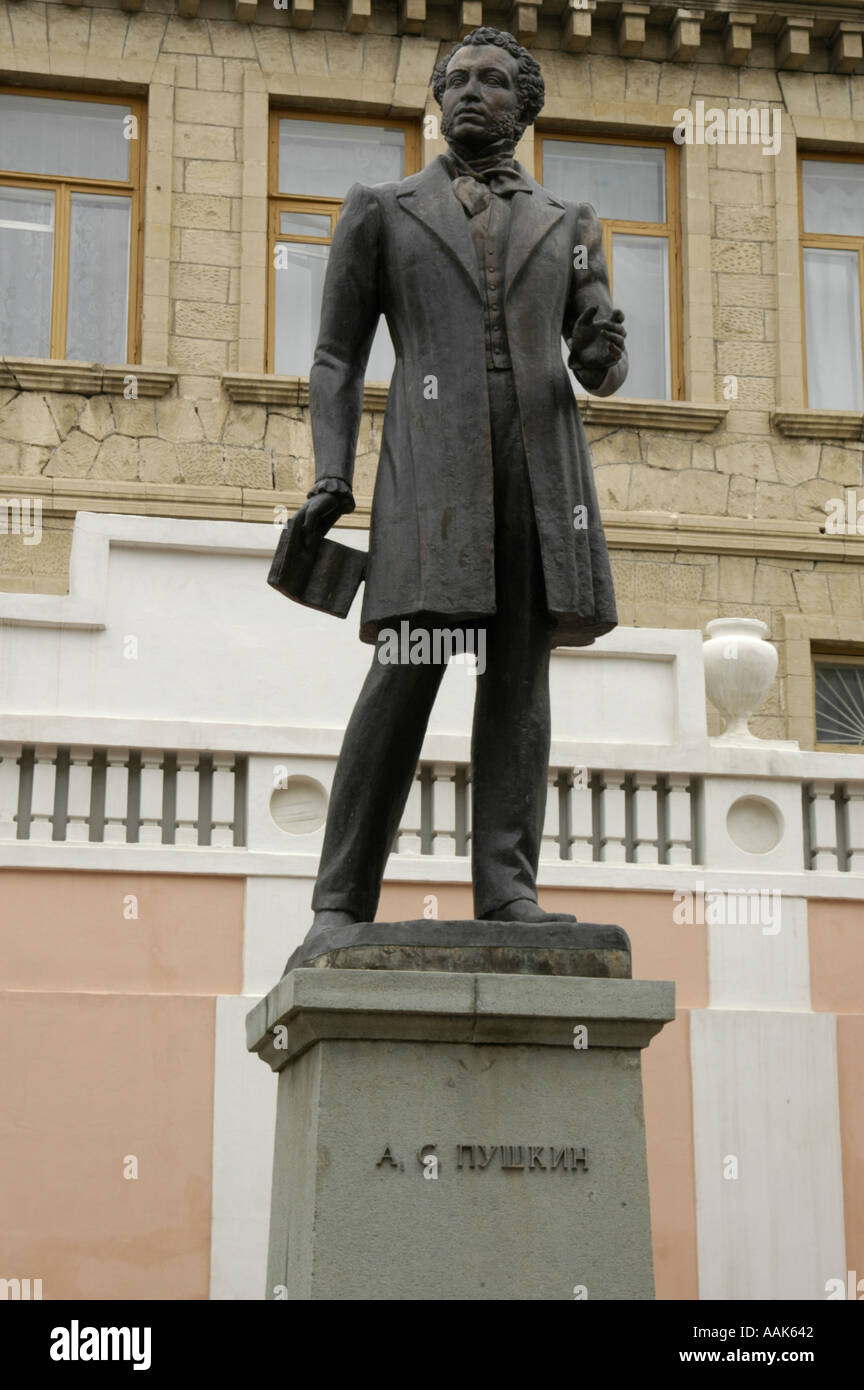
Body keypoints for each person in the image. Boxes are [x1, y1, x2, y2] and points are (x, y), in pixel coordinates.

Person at [290, 27, 628, 937]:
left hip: (540, 471)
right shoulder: (381, 208)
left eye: (493, 80)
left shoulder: (574, 224)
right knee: (404, 672)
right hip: (429, 479)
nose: (471, 91)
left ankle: (507, 889)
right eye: (457, 80)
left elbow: (599, 363)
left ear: (524, 106)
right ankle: (341, 900)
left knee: (519, 682)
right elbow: (333, 357)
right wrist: (332, 472)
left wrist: (602, 348)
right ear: (438, 99)